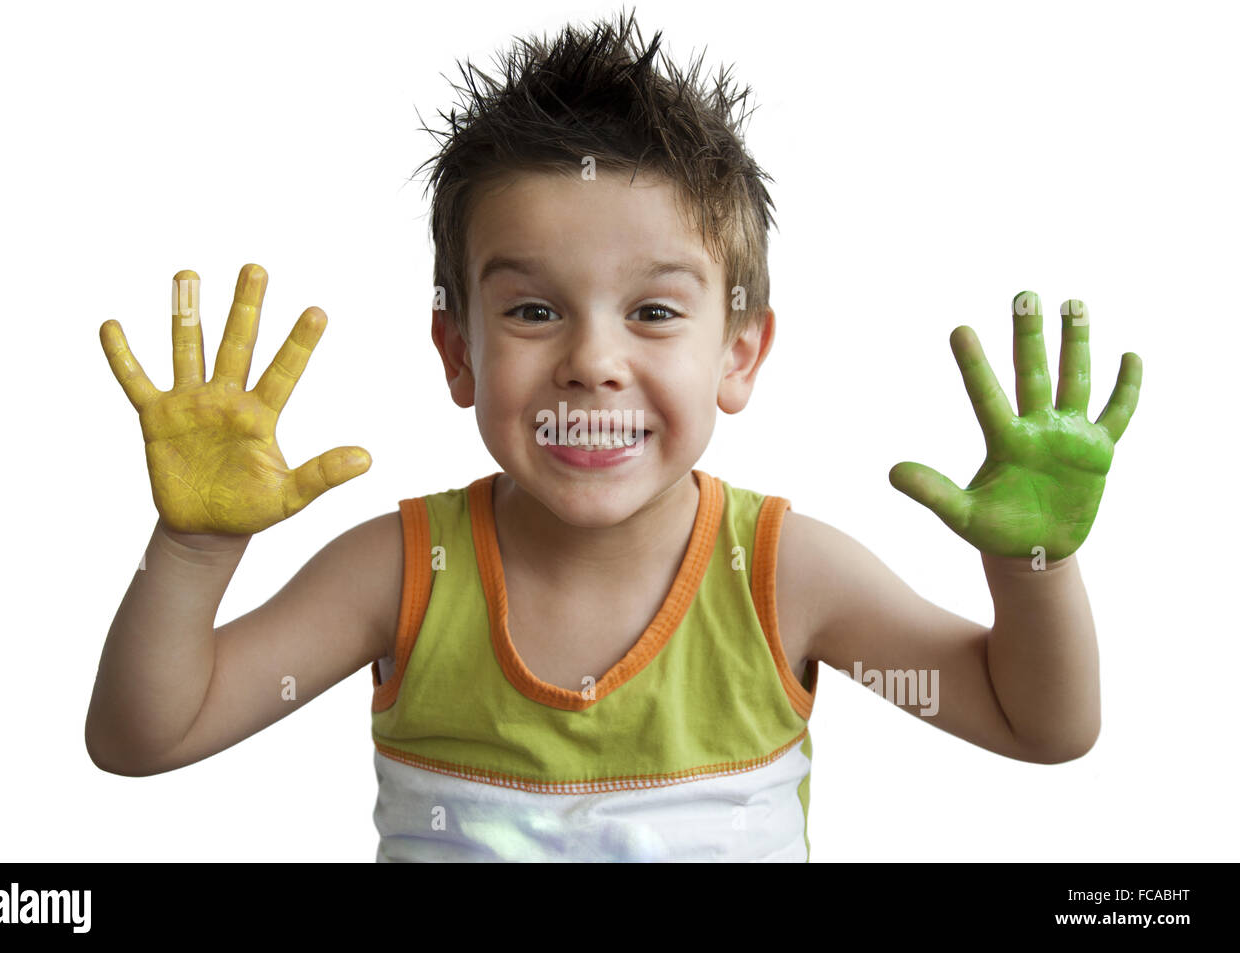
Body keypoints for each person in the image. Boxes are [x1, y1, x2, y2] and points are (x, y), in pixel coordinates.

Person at [86, 8, 1142, 862]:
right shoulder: (399, 571)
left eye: (653, 311)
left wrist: (1031, 566)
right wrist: (194, 549)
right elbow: (145, 736)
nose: (592, 360)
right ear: (458, 352)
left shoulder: (784, 574)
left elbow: (1037, 724)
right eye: (534, 310)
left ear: (738, 354)